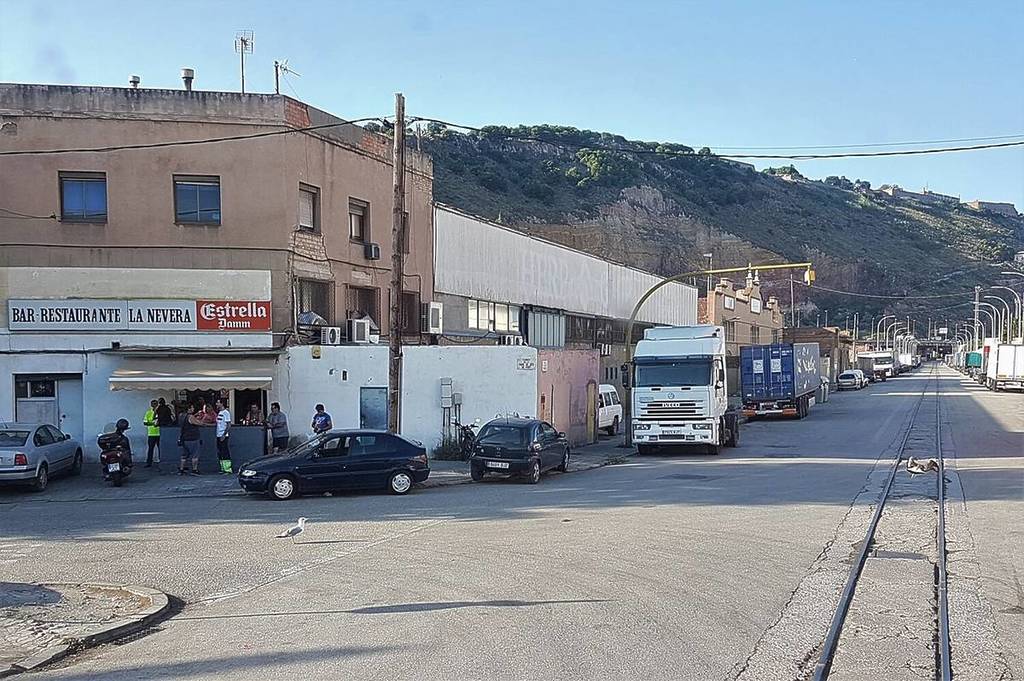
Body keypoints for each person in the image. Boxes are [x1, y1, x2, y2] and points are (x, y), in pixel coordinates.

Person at [178, 403, 202, 476]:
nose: (193, 409)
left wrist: (195, 415)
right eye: (192, 407)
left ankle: (181, 470)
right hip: (192, 438)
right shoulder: (190, 417)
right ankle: (194, 470)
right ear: (189, 408)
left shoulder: (181, 415)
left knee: (184, 455)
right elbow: (198, 423)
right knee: (195, 455)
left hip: (184, 438)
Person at [215, 398, 232, 474]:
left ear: (222, 404)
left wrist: (224, 435)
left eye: (218, 402)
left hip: (223, 435)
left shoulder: (226, 413)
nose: (216, 404)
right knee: (220, 452)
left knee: (225, 452)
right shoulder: (219, 412)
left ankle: (228, 469)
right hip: (218, 435)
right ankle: (223, 468)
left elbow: (228, 424)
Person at [143, 399, 160, 468]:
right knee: (150, 449)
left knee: (160, 448)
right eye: (153, 404)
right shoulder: (148, 413)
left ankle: (161, 461)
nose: (154, 405)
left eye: (156, 404)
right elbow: (145, 422)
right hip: (151, 434)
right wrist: (153, 423)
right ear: (151, 405)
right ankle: (149, 462)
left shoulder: (160, 412)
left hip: (159, 433)